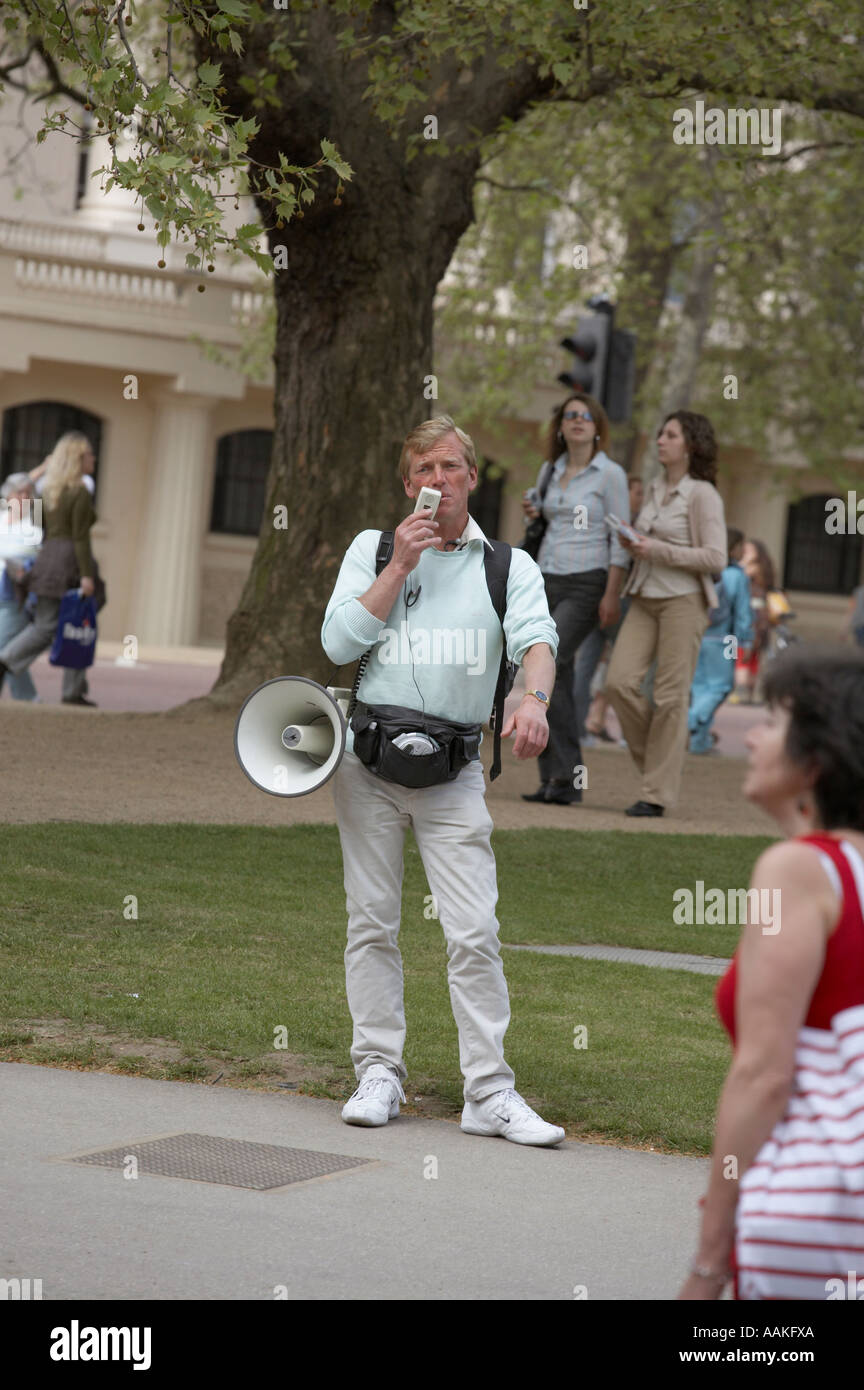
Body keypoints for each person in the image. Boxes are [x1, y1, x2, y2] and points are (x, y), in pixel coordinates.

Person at [322, 414, 566, 1146]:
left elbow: (538, 642)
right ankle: (379, 1073)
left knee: (475, 930)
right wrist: (398, 566)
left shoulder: (507, 566)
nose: (438, 482)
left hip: (454, 772)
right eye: (424, 470)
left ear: (470, 479)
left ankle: (489, 1093)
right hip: (367, 765)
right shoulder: (372, 550)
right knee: (371, 921)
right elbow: (337, 642)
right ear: (408, 485)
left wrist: (534, 699)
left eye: (451, 468)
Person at [679, 646, 864, 1301]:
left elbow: (765, 1072)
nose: (751, 736)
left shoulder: (799, 871)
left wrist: (708, 1264)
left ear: (813, 764)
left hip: (815, 1215)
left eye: (772, 723)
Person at [605, 410, 727, 817]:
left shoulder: (703, 495)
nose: (660, 440)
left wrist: (655, 549)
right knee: (618, 683)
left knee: (671, 698)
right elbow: (648, 545)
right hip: (643, 595)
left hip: (684, 601)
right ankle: (660, 768)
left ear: (689, 444)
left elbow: (715, 558)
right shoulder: (655, 488)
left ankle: (655, 793)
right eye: (659, 434)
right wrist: (633, 541)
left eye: (670, 435)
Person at [520, 392, 630, 804]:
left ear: (597, 427)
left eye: (585, 416)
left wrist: (612, 592)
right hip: (545, 577)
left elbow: (621, 538)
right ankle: (557, 779)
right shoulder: (551, 469)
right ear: (561, 427)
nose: (577, 421)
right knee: (548, 671)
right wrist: (535, 510)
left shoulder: (610, 475)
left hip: (588, 581)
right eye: (570, 416)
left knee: (555, 658)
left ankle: (565, 777)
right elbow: (544, 517)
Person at [0, 432, 99, 706]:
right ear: (77, 459)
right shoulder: (79, 491)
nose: (93, 458)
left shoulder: (48, 491)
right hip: (70, 562)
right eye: (89, 454)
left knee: (63, 622)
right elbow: (80, 537)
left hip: (48, 561)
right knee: (66, 623)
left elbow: (39, 526)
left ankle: (72, 688)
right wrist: (87, 575)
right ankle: (9, 661)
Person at [576, 472, 645, 744]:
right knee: (630, 669)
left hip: (598, 599)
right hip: (619, 601)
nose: (641, 499)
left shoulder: (602, 521)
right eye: (637, 493)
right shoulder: (622, 525)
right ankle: (632, 732)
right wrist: (612, 595)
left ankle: (583, 728)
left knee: (587, 666)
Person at [688, 527, 753, 753]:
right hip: (726, 640)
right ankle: (691, 722)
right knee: (722, 686)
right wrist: (743, 643)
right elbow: (742, 613)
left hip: (698, 636)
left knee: (699, 687)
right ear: (734, 547)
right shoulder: (737, 575)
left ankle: (699, 742)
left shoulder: (706, 568)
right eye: (742, 545)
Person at [0, 473, 42, 701]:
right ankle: (28, 697)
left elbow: (31, 556)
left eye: (28, 493)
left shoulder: (33, 524)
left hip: (13, 595)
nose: (24, 497)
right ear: (8, 495)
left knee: (2, 646)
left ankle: (27, 697)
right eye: (19, 492)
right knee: (8, 650)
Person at [731, 538, 780, 704]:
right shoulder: (766, 569)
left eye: (749, 550)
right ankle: (750, 693)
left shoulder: (753, 568)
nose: (745, 552)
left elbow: (740, 573)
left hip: (752, 617)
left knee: (744, 652)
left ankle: (742, 691)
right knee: (753, 655)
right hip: (760, 619)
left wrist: (744, 560)